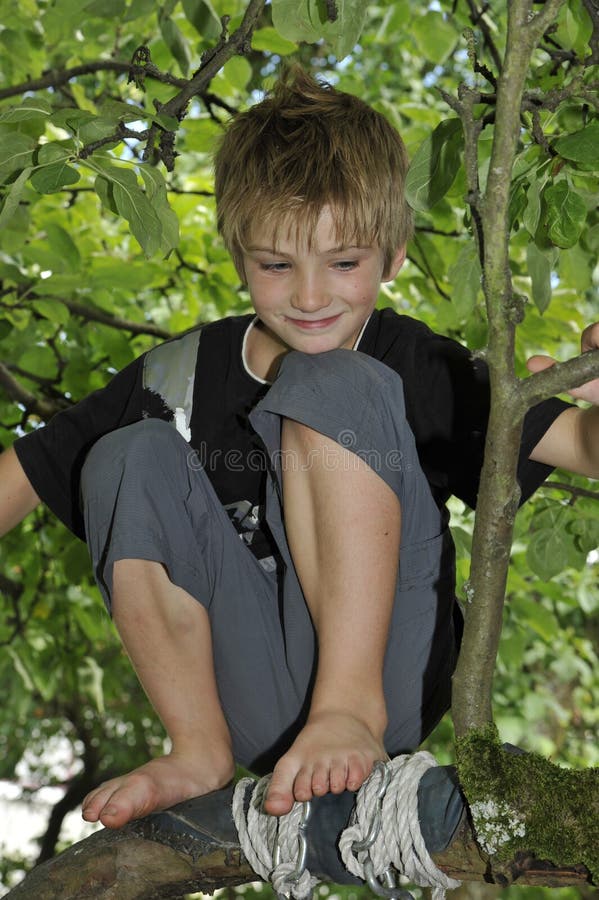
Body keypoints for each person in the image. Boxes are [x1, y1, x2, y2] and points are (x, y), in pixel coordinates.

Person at [1, 68, 598, 832]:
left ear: (392, 255)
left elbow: (581, 444)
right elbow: (17, 482)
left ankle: (346, 708)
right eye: (276, 265)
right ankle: (196, 749)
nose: (310, 296)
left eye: (343, 263)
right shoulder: (172, 377)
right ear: (237, 252)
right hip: (253, 698)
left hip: (390, 671)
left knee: (335, 379)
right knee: (125, 454)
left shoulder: (416, 363)